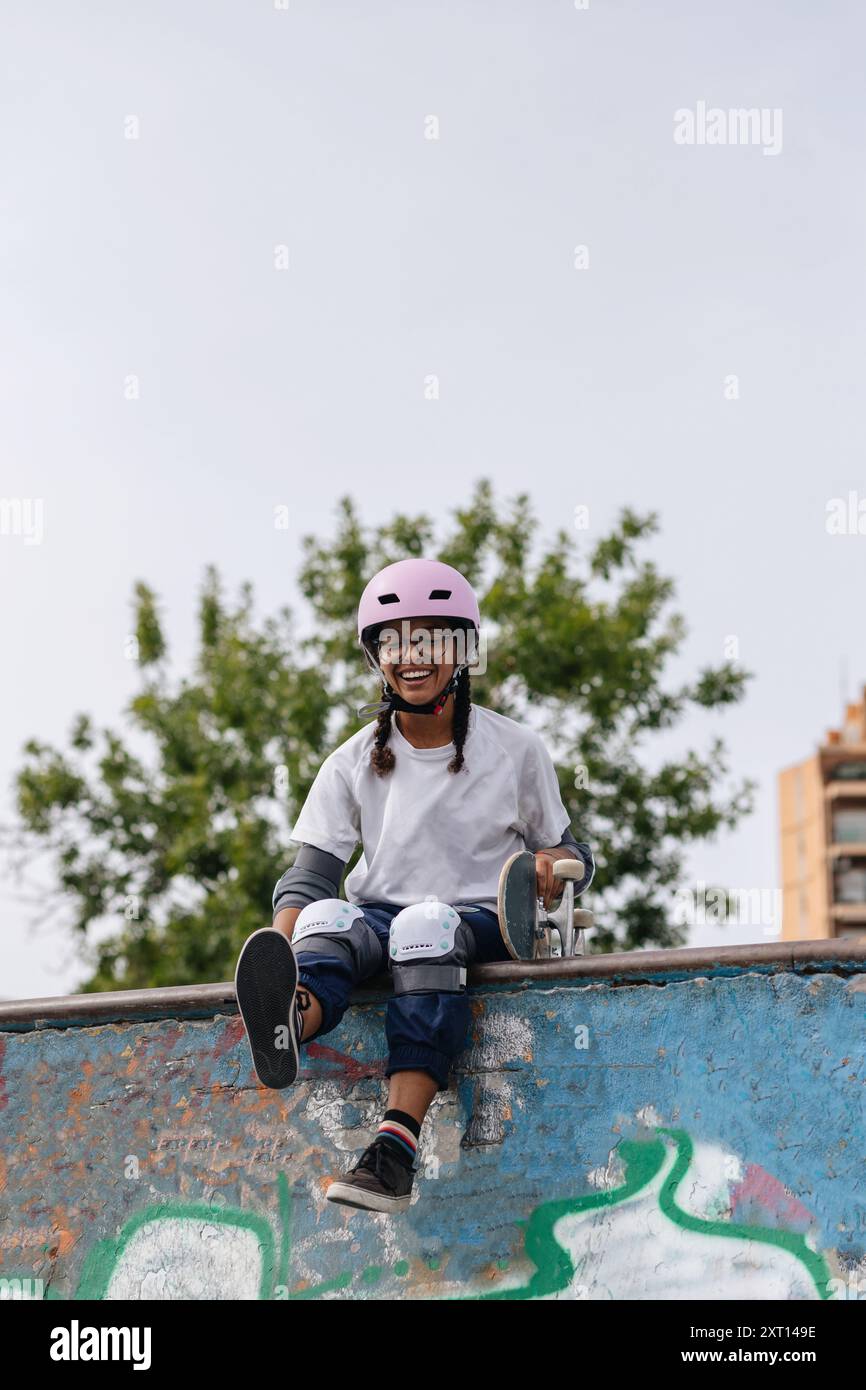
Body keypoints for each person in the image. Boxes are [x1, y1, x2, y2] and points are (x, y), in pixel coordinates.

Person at [234, 557, 594, 1214]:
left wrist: (552, 865)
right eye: (397, 641)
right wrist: (274, 960)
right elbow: (309, 877)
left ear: (461, 653)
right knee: (326, 920)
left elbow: (571, 850)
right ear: (380, 658)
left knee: (422, 925)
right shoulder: (350, 762)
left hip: (479, 917)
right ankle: (291, 1016)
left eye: (431, 638)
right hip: (380, 917)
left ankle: (394, 1151)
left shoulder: (516, 750)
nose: (414, 654)